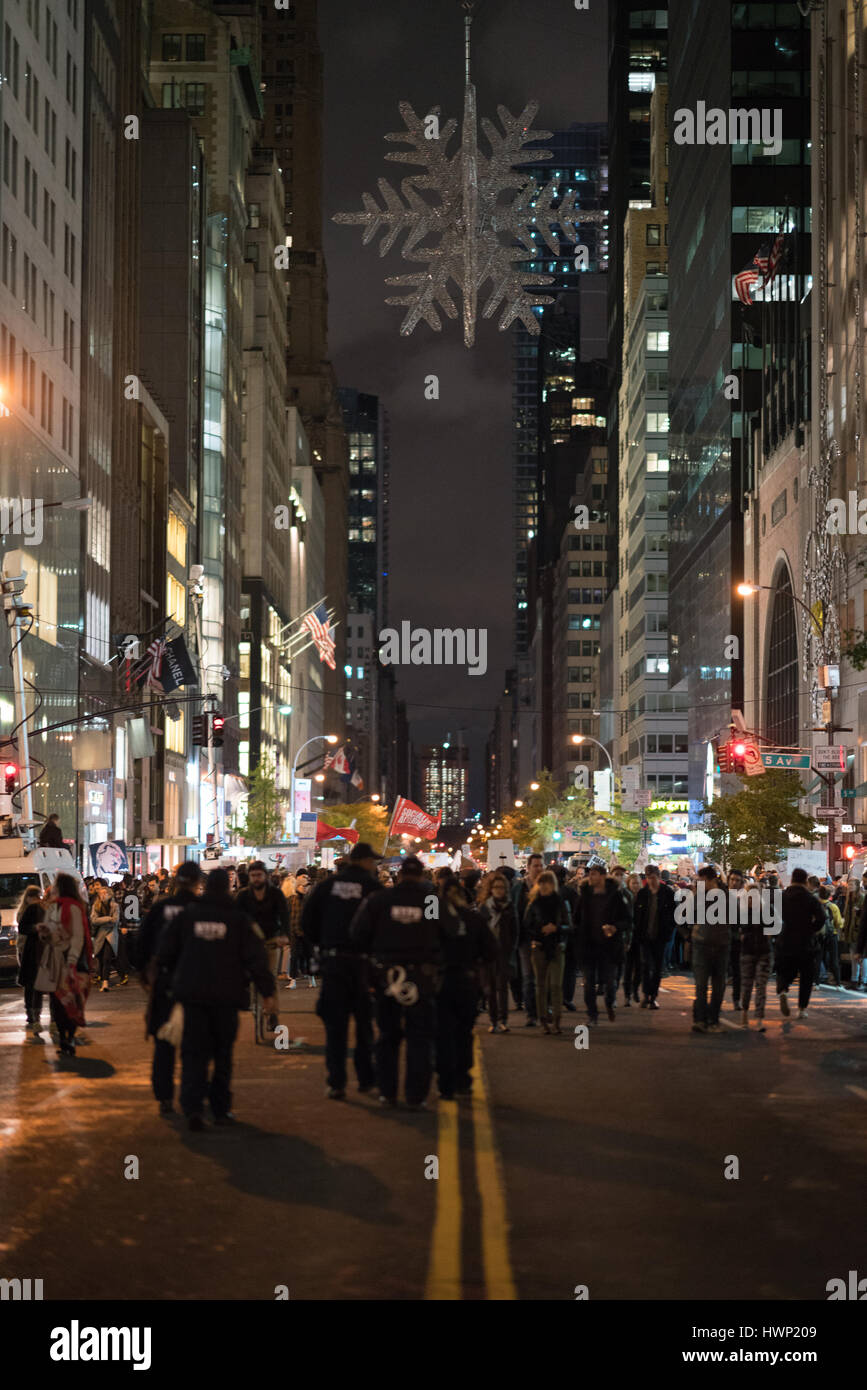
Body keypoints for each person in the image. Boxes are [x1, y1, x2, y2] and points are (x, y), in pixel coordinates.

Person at [157, 868, 277, 1131]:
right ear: (227, 888)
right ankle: (220, 1109)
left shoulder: (187, 917)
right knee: (222, 1054)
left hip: (193, 997)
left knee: (193, 1054)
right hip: (226, 998)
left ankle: (193, 1108)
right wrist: (267, 992)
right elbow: (256, 958)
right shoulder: (238, 920)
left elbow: (165, 952)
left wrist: (170, 983)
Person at [350, 856, 443, 1110]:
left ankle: (387, 1092)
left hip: (386, 977)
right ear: (422, 876)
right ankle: (416, 1095)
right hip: (420, 977)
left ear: (399, 876)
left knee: (388, 1035)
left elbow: (358, 935)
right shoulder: (430, 901)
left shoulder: (380, 900)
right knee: (419, 1038)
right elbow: (442, 934)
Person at [301, 843, 381, 1099]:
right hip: (363, 965)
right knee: (364, 1025)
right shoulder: (372, 888)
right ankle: (366, 1078)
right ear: (365, 862)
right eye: (373, 862)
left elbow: (306, 922)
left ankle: (336, 1082)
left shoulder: (327, 887)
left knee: (336, 1027)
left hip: (334, 963)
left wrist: (323, 944)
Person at [136, 861, 203, 1116]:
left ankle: (164, 1096)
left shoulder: (161, 908)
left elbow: (142, 945)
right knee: (194, 1045)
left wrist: (145, 974)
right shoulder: (201, 909)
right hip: (196, 984)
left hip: (164, 983)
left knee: (164, 1043)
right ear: (198, 882)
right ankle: (191, 1097)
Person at [435, 873, 496, 1097]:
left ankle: (446, 1083)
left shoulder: (435, 920)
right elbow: (491, 951)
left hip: (440, 982)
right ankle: (463, 1077)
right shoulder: (474, 920)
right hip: (466, 981)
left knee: (442, 1033)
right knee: (463, 1032)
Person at [35, 874, 92, 1057]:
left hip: (67, 958)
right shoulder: (54, 907)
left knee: (70, 999)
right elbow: (50, 930)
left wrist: (73, 960)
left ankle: (69, 1035)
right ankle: (66, 1037)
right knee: (57, 1000)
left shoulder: (73, 907)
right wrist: (44, 932)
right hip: (55, 957)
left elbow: (78, 936)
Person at [576, 860, 630, 1024]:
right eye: (590, 874)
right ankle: (592, 1015)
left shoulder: (615, 895)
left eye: (594, 874)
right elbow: (576, 919)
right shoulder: (585, 894)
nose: (590, 877)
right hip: (589, 945)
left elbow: (626, 919)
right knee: (589, 982)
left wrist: (614, 928)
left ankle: (609, 1003)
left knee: (610, 981)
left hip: (609, 946)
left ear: (603, 876)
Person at [524, 869, 570, 1034]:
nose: (544, 885)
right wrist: (540, 929)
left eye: (548, 882)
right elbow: (527, 926)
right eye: (541, 882)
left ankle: (557, 1021)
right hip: (539, 947)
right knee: (541, 986)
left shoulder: (560, 902)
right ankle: (543, 1020)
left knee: (556, 985)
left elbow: (569, 925)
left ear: (553, 884)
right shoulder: (533, 903)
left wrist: (556, 928)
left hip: (557, 947)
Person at [776, 867, 826, 1019]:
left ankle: (783, 990)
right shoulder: (810, 898)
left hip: (786, 939)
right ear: (805, 881)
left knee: (785, 970)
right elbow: (821, 918)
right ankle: (802, 1008)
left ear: (791, 879)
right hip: (805, 942)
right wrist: (812, 928)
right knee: (806, 976)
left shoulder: (782, 896)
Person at [235, 861, 291, 994]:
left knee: (270, 978)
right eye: (253, 875)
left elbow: (284, 916)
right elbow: (236, 917)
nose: (256, 879)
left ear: (266, 875)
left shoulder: (276, 894)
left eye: (259, 875)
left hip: (271, 940)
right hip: (250, 943)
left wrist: (284, 935)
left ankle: (272, 1012)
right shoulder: (243, 895)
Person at [690, 865, 731, 1034]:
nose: (700, 884)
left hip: (721, 945)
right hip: (701, 944)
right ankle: (700, 1020)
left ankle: (713, 1020)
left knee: (718, 986)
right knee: (701, 985)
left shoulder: (726, 896)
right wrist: (689, 935)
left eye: (702, 881)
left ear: (711, 880)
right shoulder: (697, 896)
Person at [477, 872, 518, 1033]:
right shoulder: (484, 907)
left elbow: (515, 930)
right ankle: (493, 1020)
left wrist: (511, 948)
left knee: (502, 987)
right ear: (490, 889)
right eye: (496, 887)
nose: (499, 890)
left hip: (504, 951)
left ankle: (503, 1020)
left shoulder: (509, 906)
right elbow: (479, 931)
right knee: (490, 988)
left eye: (501, 887)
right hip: (488, 952)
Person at [633, 864, 676, 1009]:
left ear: (658, 877)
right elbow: (637, 916)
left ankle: (653, 996)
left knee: (657, 967)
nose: (651, 881)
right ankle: (646, 995)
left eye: (653, 878)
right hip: (645, 936)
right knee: (645, 966)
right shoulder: (643, 894)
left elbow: (672, 915)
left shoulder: (667, 893)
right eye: (648, 878)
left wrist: (668, 932)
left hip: (660, 936)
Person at [512, 852, 544, 1025]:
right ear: (529, 867)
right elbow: (515, 912)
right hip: (525, 939)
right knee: (528, 976)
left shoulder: (548, 886)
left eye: (540, 865)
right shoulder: (520, 887)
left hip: (545, 939)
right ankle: (531, 1013)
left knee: (543, 977)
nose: (538, 868)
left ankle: (543, 1009)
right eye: (535, 865)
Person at [16, 885, 46, 1039]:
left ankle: (33, 1013)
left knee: (34, 983)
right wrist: (36, 928)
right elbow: (22, 928)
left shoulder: (40, 908)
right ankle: (31, 1013)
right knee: (30, 983)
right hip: (26, 949)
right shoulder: (26, 910)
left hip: (37, 950)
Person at [91, 881, 120, 992]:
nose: (102, 895)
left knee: (107, 958)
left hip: (110, 934)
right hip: (99, 935)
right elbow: (94, 920)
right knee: (100, 958)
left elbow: (115, 920)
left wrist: (102, 921)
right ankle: (103, 979)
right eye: (100, 893)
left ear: (109, 894)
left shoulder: (115, 905)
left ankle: (105, 982)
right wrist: (108, 918)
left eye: (104, 893)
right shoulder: (96, 905)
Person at [622, 872, 643, 1005]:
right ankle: (627, 994)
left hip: (640, 936)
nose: (635, 885)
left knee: (640, 966)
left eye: (637, 883)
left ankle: (635, 990)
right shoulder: (625, 897)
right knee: (628, 967)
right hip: (628, 936)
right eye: (633, 883)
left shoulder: (642, 897)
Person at [818, 885, 843, 987]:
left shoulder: (815, 905)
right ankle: (838, 983)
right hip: (832, 934)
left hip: (819, 935)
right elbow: (838, 923)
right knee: (834, 959)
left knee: (818, 958)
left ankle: (816, 982)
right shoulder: (833, 907)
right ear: (829, 895)